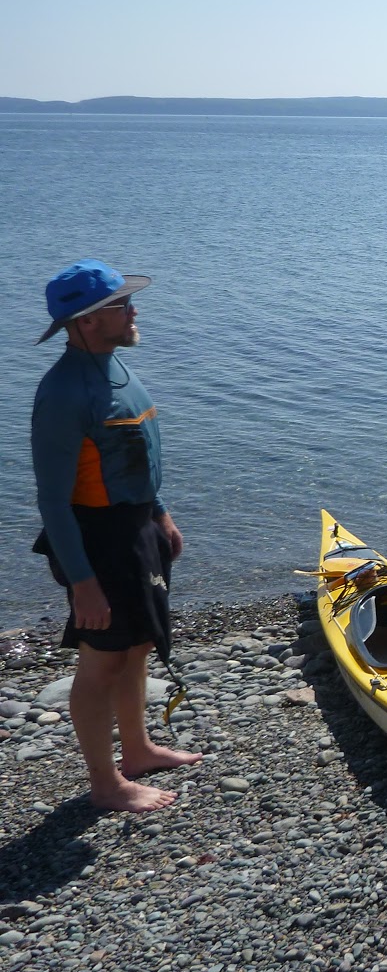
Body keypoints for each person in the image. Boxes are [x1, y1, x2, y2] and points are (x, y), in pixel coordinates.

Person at [31, 258, 201, 811]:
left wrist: (161, 515)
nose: (133, 311)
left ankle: (139, 749)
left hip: (136, 528)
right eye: (119, 305)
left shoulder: (117, 369)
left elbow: (137, 456)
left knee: (138, 646)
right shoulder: (62, 393)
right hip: (96, 539)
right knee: (102, 659)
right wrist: (82, 583)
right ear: (85, 321)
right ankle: (106, 784)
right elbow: (54, 502)